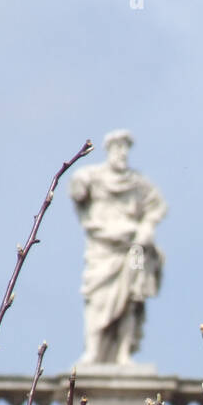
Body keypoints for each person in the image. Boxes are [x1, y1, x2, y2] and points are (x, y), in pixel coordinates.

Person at [68, 129, 167, 367]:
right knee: (96, 296)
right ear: (109, 150)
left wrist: (147, 227)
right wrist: (78, 184)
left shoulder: (137, 182)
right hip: (103, 248)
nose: (122, 153)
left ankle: (124, 353)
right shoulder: (94, 177)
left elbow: (157, 206)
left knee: (131, 300)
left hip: (132, 248)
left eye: (125, 148)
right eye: (118, 148)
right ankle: (92, 351)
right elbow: (77, 189)